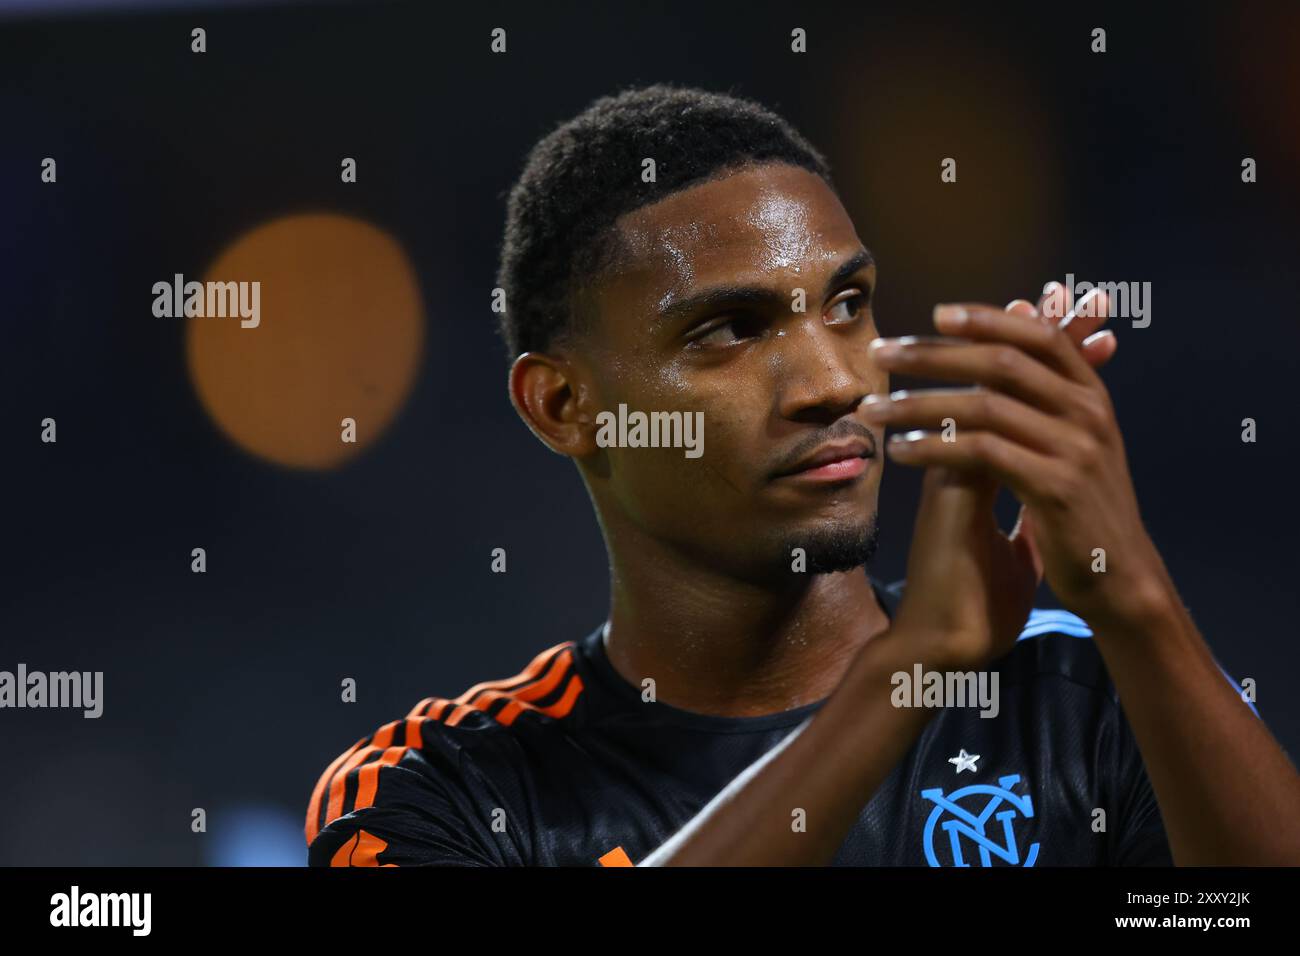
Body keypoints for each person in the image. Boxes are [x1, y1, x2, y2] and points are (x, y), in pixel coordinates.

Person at [306, 85, 1298, 866]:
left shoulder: (1086, 696)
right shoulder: (434, 786)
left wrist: (1133, 594)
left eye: (849, 303)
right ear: (564, 406)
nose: (833, 381)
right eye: (729, 329)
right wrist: (908, 673)